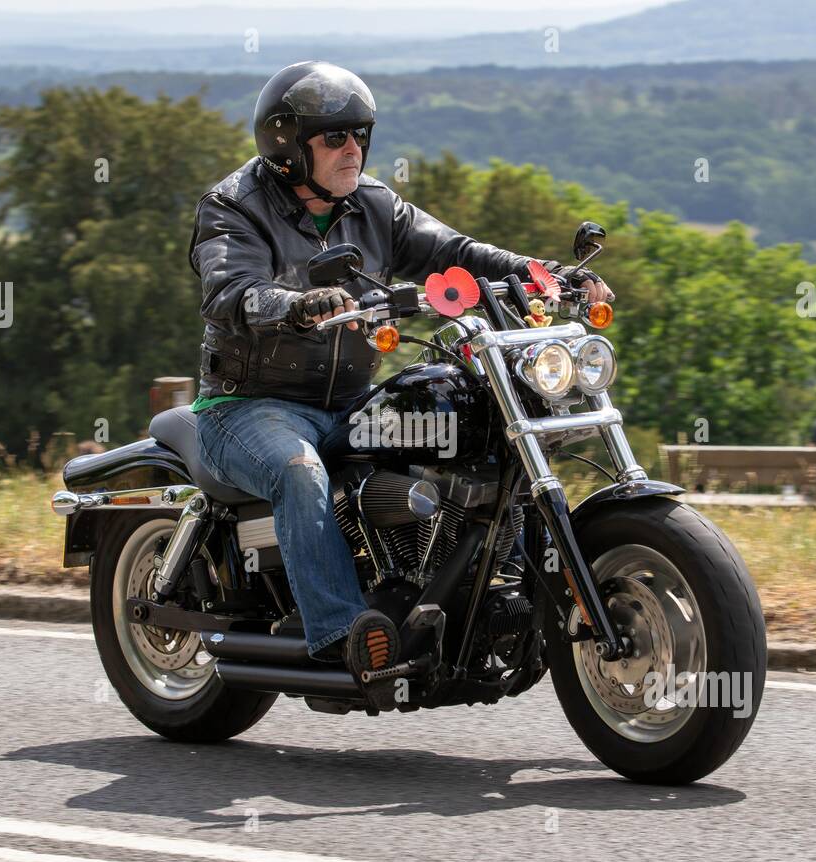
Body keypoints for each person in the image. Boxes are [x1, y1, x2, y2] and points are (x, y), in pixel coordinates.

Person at [187, 61, 613, 696]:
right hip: (250, 407)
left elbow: (456, 252)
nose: (352, 149)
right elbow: (231, 292)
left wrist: (543, 272)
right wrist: (296, 303)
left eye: (360, 134)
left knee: (463, 430)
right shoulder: (232, 208)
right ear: (287, 146)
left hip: (351, 401)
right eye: (334, 137)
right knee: (300, 472)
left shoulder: (375, 205)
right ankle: (339, 635)